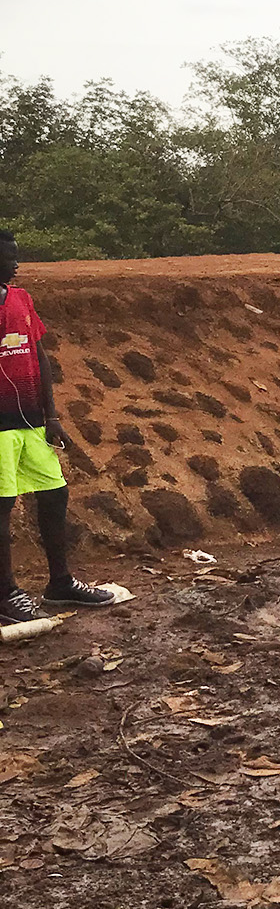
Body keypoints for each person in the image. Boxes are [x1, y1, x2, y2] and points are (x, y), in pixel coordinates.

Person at [0, 233, 116, 624]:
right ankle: (6, 593)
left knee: (54, 493)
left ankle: (60, 583)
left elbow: (39, 356)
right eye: (9, 257)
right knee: (2, 506)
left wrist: (52, 417)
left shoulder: (22, 299)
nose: (16, 264)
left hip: (32, 421)